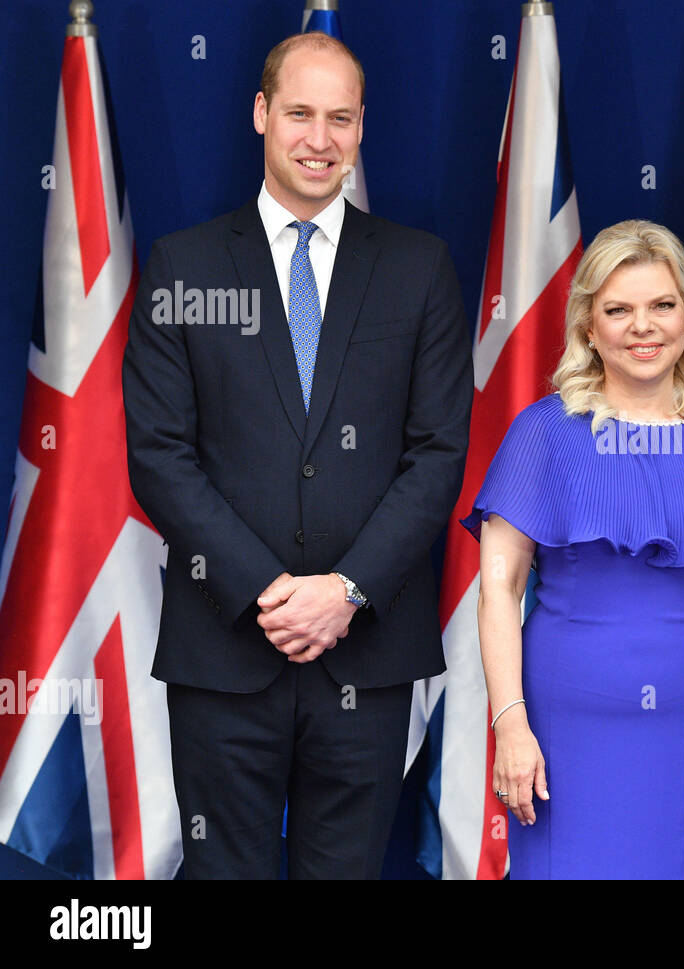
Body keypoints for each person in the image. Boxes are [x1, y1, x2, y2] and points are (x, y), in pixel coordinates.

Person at [122, 32, 472, 878]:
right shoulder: (184, 265)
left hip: (368, 649)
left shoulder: (418, 268)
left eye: (341, 118)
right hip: (224, 648)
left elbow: (437, 454)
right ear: (261, 115)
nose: (321, 139)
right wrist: (273, 593)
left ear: (360, 129)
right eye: (301, 114)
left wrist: (345, 592)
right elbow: (160, 458)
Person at [465, 220, 684, 879]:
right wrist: (510, 725)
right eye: (618, 309)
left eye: (662, 305)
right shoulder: (541, 433)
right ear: (588, 326)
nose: (643, 326)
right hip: (563, 731)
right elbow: (498, 591)